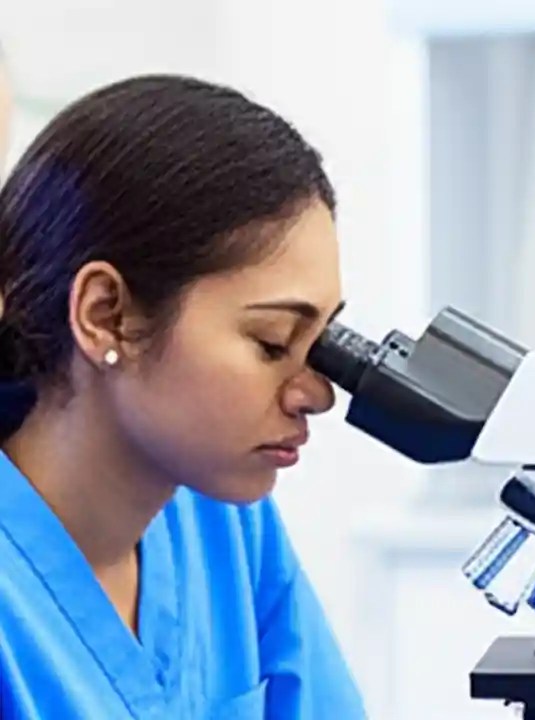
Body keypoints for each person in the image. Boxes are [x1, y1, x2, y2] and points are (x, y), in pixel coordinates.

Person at [0, 74, 364, 718]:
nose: (316, 394)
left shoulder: (225, 524)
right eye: (273, 341)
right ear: (106, 316)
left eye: (322, 343)